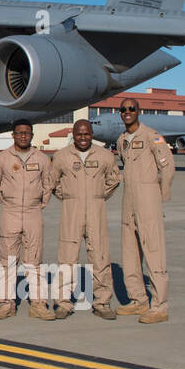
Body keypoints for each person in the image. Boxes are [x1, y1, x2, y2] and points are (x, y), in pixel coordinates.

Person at [47, 119, 121, 319]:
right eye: (79, 134)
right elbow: (52, 181)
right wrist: (67, 195)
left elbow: (114, 179)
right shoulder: (62, 156)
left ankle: (102, 302)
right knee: (67, 257)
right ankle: (63, 303)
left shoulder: (105, 156)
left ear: (92, 134)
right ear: (73, 134)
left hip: (96, 209)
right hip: (71, 209)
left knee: (100, 256)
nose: (83, 138)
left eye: (86, 134)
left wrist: (99, 195)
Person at [114, 99, 175, 323]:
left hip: (148, 196)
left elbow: (167, 165)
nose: (127, 112)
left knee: (153, 251)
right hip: (128, 198)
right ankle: (138, 300)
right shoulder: (122, 140)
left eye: (131, 109)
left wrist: (161, 194)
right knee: (130, 251)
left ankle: (160, 306)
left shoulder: (152, 136)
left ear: (138, 112)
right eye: (123, 110)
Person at [0, 120, 55, 320]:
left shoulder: (42, 159)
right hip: (10, 212)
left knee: (34, 260)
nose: (23, 136)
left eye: (27, 133)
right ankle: (6, 304)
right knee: (8, 260)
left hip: (33, 212)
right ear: (13, 135)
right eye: (20, 133)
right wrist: (8, 200)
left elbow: (48, 184)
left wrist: (39, 203)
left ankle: (38, 304)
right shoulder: (2, 158)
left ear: (32, 135)